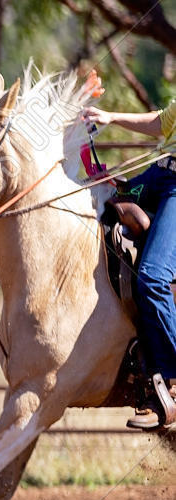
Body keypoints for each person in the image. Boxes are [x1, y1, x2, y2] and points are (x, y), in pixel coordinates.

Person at [83, 99, 176, 429]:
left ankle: (172, 382)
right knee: (103, 202)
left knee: (152, 277)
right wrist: (111, 115)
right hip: (159, 176)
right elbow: (163, 121)